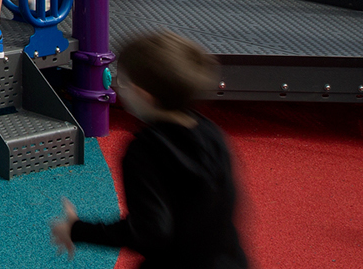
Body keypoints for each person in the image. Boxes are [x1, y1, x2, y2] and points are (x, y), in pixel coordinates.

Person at [50, 30, 249, 265]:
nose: (118, 87)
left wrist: (78, 230)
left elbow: (150, 231)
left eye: (123, 81)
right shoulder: (211, 133)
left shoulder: (145, 151)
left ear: (144, 95)